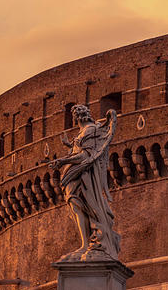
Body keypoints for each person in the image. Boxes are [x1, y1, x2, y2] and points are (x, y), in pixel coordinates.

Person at [49, 105, 120, 260]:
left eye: (75, 115)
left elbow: (85, 156)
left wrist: (62, 160)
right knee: (77, 208)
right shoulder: (83, 132)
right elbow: (80, 151)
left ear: (77, 117)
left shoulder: (90, 130)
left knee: (85, 208)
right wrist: (69, 146)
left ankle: (86, 244)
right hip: (74, 176)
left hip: (84, 177)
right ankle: (84, 244)